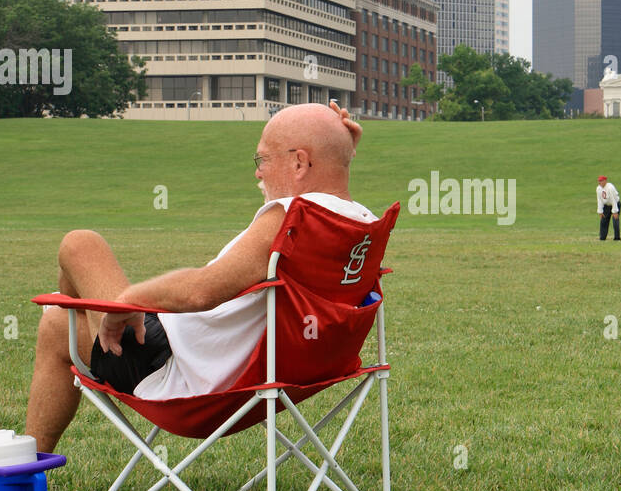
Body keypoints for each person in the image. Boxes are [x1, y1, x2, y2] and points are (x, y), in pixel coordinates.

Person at [25, 100, 369, 453]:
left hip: (182, 379)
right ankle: (80, 318)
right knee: (68, 312)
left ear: (300, 162)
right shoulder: (361, 226)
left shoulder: (289, 220)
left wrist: (125, 302)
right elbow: (330, 178)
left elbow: (200, 293)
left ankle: (21, 479)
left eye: (262, 159)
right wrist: (340, 151)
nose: (258, 173)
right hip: (277, 378)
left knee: (76, 254)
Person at [596, 175, 621, 241]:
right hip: (606, 205)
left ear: (605, 181)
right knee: (603, 221)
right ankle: (602, 237)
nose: (599, 182)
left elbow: (613, 199)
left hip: (614, 204)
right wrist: (600, 211)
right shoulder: (598, 188)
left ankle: (617, 237)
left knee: (615, 221)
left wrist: (615, 211)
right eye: (599, 181)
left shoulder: (610, 187)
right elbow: (599, 200)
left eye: (601, 181)